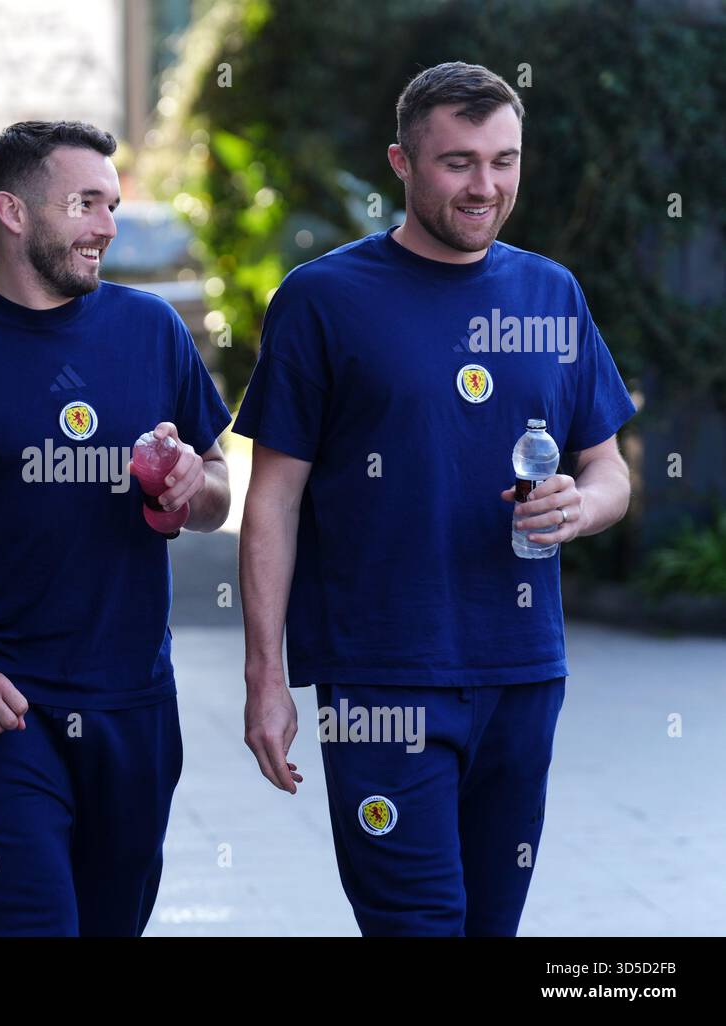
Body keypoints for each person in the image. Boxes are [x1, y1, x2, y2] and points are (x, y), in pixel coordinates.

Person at [235, 62, 636, 936]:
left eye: (504, 159)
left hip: (524, 670)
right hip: (381, 676)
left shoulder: (551, 293)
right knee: (416, 923)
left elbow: (610, 469)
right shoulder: (323, 299)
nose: (485, 186)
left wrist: (582, 506)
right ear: (402, 164)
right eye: (458, 162)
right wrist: (265, 673)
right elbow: (272, 499)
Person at [0, 120, 232, 936]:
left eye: (112, 203)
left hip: (133, 704)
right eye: (87, 203)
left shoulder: (151, 330)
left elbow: (217, 485)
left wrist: (188, 488)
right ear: (13, 211)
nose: (107, 225)